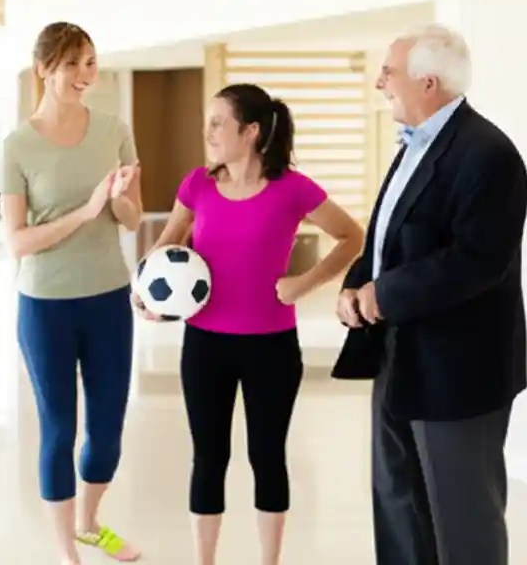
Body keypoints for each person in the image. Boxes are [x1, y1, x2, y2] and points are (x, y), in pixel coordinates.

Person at [137, 83, 364, 565]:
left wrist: (306, 282)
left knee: (267, 458)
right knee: (208, 459)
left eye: (218, 121)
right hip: (205, 346)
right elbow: (168, 247)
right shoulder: (197, 183)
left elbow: (351, 236)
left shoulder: (293, 189)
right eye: (208, 122)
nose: (210, 132)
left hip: (272, 349)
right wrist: (151, 295)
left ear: (252, 131)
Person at [333, 25, 527, 565]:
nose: (379, 83)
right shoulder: (412, 148)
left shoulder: (488, 154)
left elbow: (476, 260)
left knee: (462, 520)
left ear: (428, 81)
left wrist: (383, 294)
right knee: (398, 507)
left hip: (458, 372)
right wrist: (356, 285)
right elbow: (391, 238)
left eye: (388, 72)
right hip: (398, 360)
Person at [0, 22, 143, 564]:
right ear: (43, 69)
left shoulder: (113, 130)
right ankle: (68, 552)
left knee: (106, 430)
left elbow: (128, 218)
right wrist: (84, 212)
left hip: (108, 297)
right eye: (73, 64)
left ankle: (89, 522)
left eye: (90, 62)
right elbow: (16, 241)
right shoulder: (17, 145)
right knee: (60, 429)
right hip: (45, 306)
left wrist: (120, 198)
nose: (86, 75)